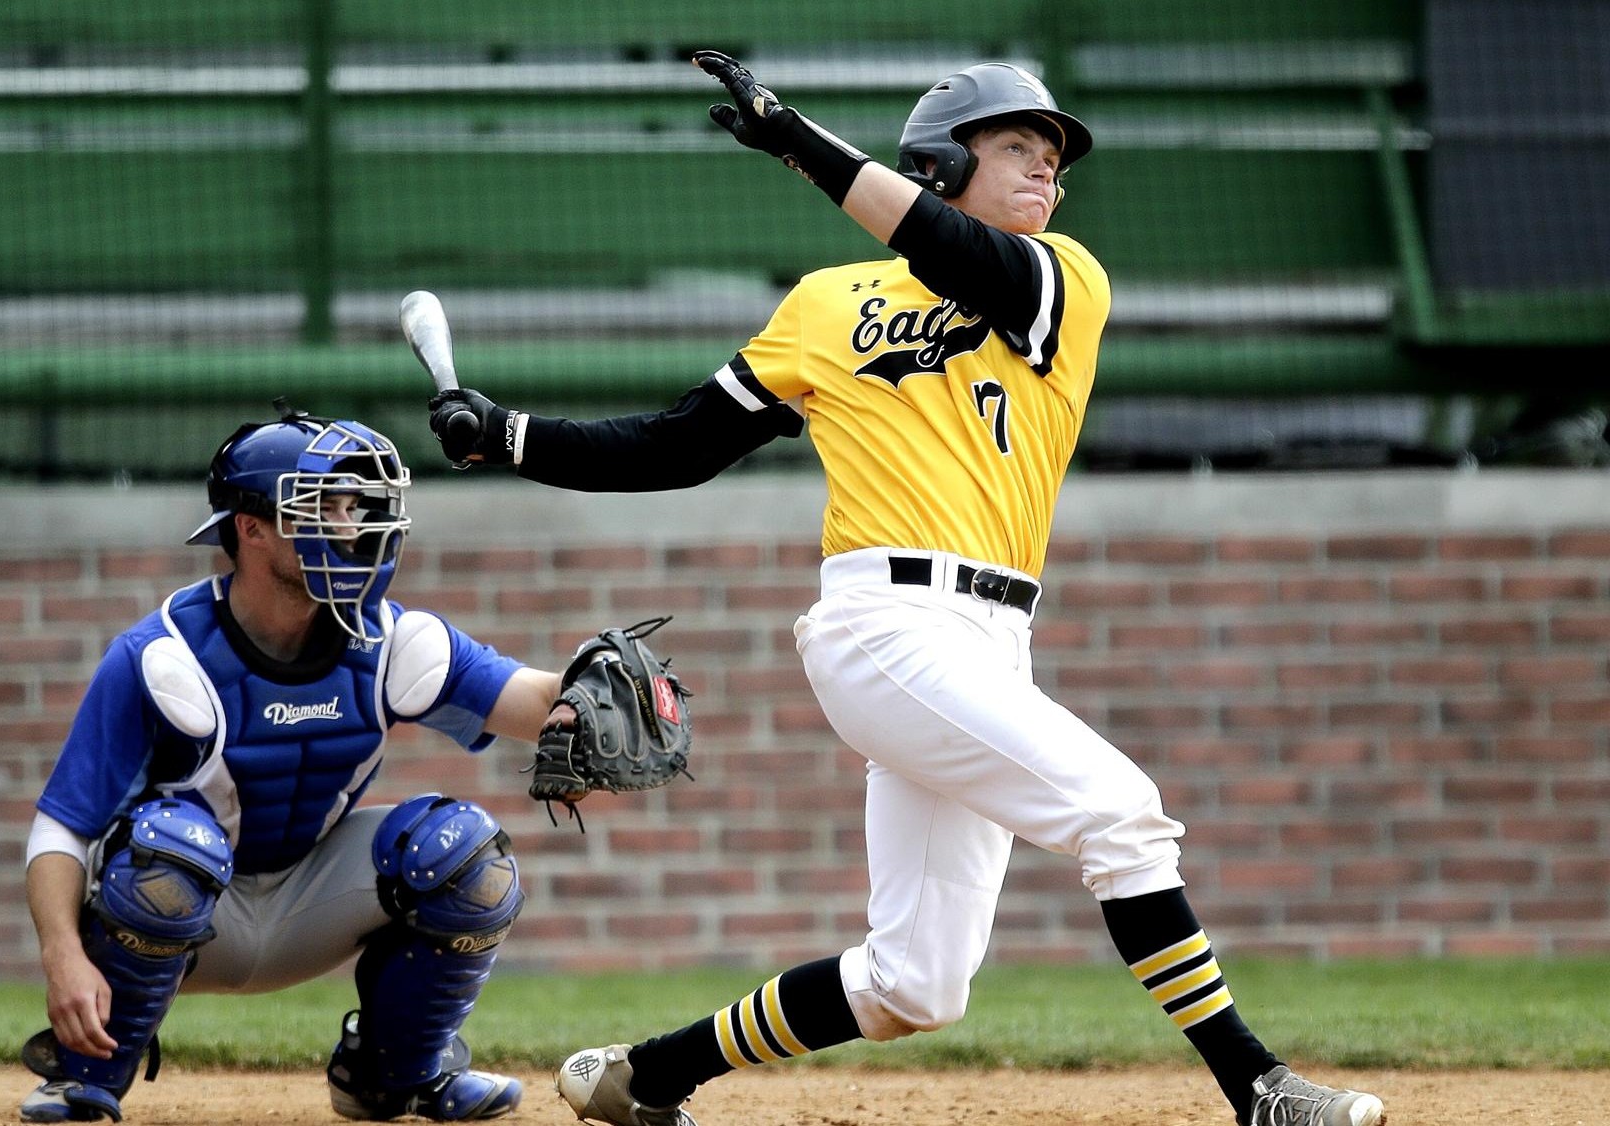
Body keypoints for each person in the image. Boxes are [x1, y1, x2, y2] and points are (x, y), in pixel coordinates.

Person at [427, 55, 1386, 1126]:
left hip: (990, 637)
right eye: (1017, 147)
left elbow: (943, 244)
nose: (1045, 174)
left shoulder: (1057, 279)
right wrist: (507, 435)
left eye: (1052, 158)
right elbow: (678, 443)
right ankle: (1255, 1087)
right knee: (1121, 816)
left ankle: (643, 1078)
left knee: (913, 983)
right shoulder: (826, 303)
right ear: (939, 161)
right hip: (881, 622)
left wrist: (797, 140)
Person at [19, 408, 590, 1124]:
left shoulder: (387, 639)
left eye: (355, 506)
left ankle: (397, 1074)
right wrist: (62, 956)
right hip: (183, 912)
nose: (350, 526)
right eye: (323, 507)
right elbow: (60, 832)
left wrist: (591, 693)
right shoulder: (160, 656)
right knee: (170, 847)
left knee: (468, 853)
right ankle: (87, 1073)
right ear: (250, 528)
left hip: (307, 900)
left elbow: (530, 699)